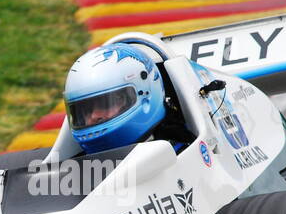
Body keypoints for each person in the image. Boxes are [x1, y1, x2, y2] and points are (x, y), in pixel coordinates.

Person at [63, 43, 193, 153]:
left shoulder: (185, 157)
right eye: (85, 110)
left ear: (146, 96)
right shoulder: (74, 169)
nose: (93, 116)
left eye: (105, 104)